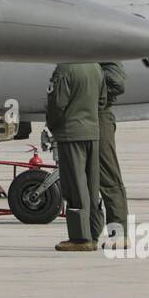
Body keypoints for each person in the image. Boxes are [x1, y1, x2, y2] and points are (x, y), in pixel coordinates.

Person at [46, 61, 104, 252]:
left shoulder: (65, 69)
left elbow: (57, 104)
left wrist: (52, 124)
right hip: (92, 132)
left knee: (75, 186)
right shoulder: (96, 67)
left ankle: (80, 237)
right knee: (91, 185)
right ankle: (93, 232)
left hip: (71, 133)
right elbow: (102, 101)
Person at [93, 60, 130, 246]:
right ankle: (87, 235)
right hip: (80, 117)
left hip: (98, 117)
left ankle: (119, 234)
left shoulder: (103, 51)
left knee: (108, 176)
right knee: (81, 181)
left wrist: (88, 95)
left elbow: (117, 82)